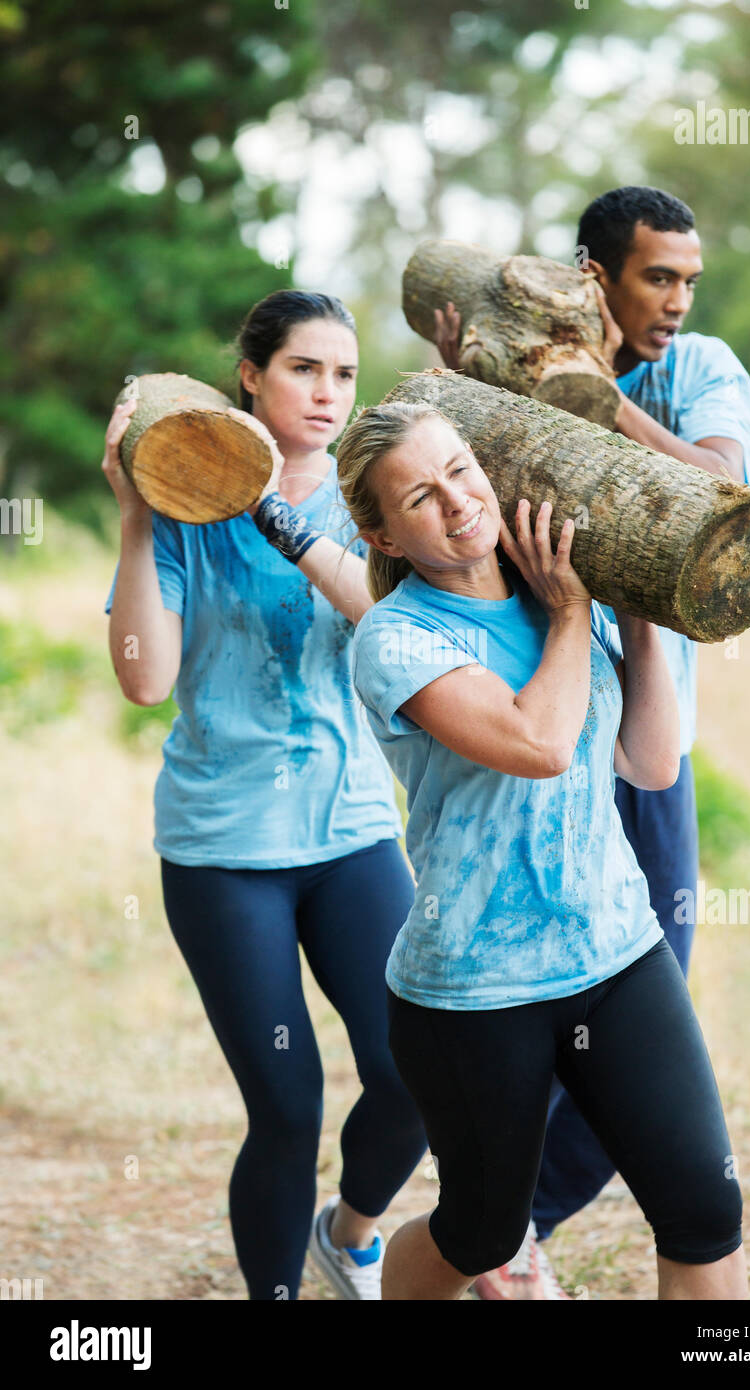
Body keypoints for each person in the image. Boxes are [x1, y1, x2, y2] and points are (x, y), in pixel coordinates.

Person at [338, 399, 748, 1301]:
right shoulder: (397, 639)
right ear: (387, 536)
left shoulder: (558, 593)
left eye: (460, 471)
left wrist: (634, 614)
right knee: (480, 1234)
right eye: (419, 497)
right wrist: (570, 613)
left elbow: (645, 762)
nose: (455, 503)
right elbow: (539, 745)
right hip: (475, 984)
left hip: (615, 953)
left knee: (705, 1219)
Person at [434, 185, 750, 1298]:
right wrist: (488, 371)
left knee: (650, 989)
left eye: (685, 279)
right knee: (515, 1005)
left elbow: (722, 496)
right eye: (653, 277)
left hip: (647, 746)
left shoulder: (700, 370)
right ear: (593, 275)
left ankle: (510, 1221)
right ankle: (472, 1221)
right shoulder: (509, 358)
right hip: (529, 734)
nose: (672, 300)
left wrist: (598, 397)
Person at [101, 290, 429, 1301]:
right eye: (302, 369)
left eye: (342, 372)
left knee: (420, 1068)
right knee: (285, 1105)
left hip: (352, 834)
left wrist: (275, 511)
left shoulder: (365, 502)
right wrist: (136, 513)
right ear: (251, 375)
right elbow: (144, 679)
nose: (327, 393)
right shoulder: (183, 514)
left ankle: (353, 1231)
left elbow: (384, 620)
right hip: (223, 851)